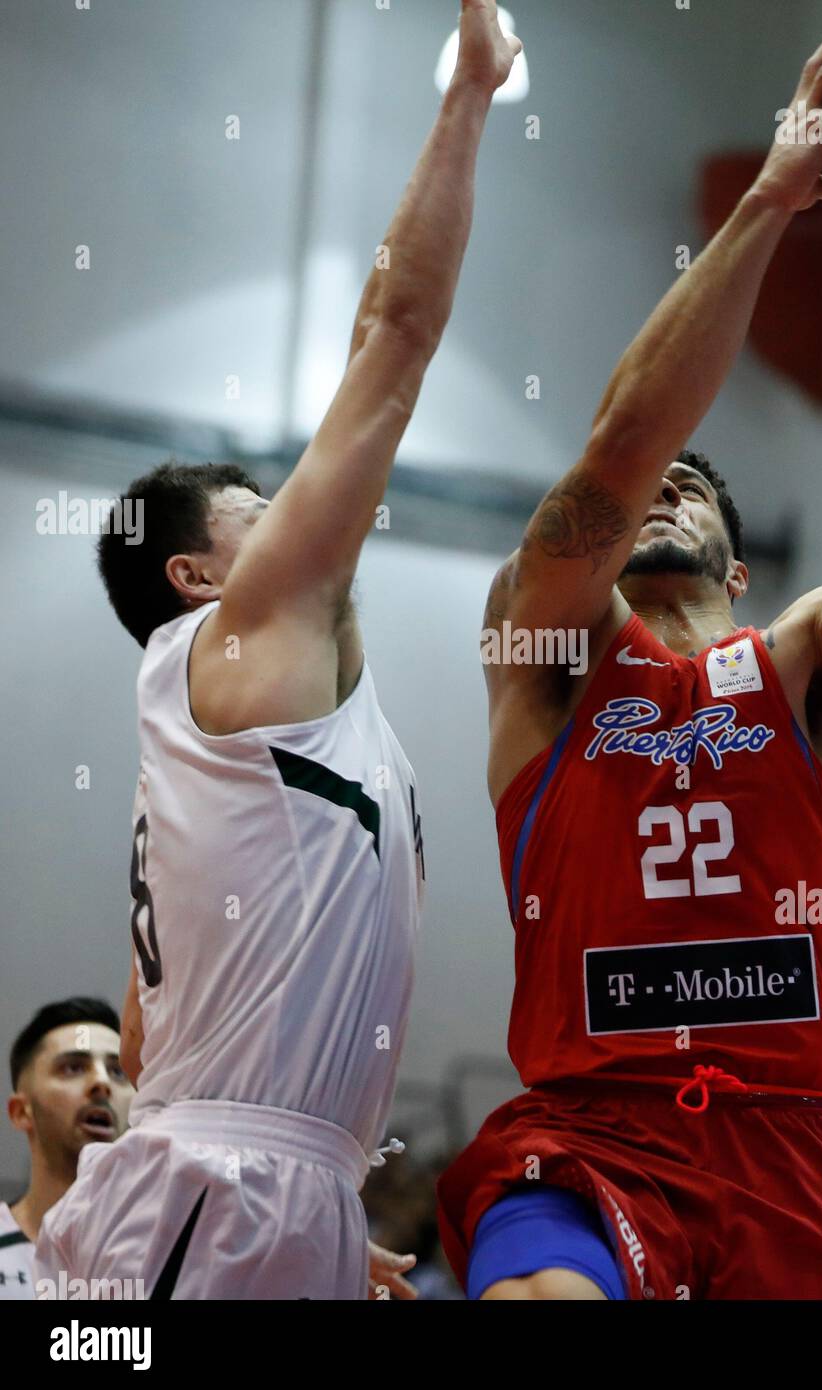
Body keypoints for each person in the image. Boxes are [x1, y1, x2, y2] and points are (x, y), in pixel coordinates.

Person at [438, 23, 822, 1299]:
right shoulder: (545, 648)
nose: (663, 489)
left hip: (795, 1149)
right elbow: (620, 447)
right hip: (592, 1138)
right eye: (650, 489)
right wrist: (778, 194)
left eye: (697, 489)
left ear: (744, 568)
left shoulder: (808, 666)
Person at [35, 0, 523, 1300]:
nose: (291, 507)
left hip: (254, 1184)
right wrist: (468, 98)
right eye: (256, 505)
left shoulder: (239, 715)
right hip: (225, 1186)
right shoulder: (235, 638)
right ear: (195, 574)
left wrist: (298, 1193)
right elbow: (394, 339)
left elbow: (155, 1020)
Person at [3, 999, 133, 1300]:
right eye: (73, 1067)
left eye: (117, 1072)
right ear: (22, 1111)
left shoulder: (171, 1253)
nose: (101, 1082)